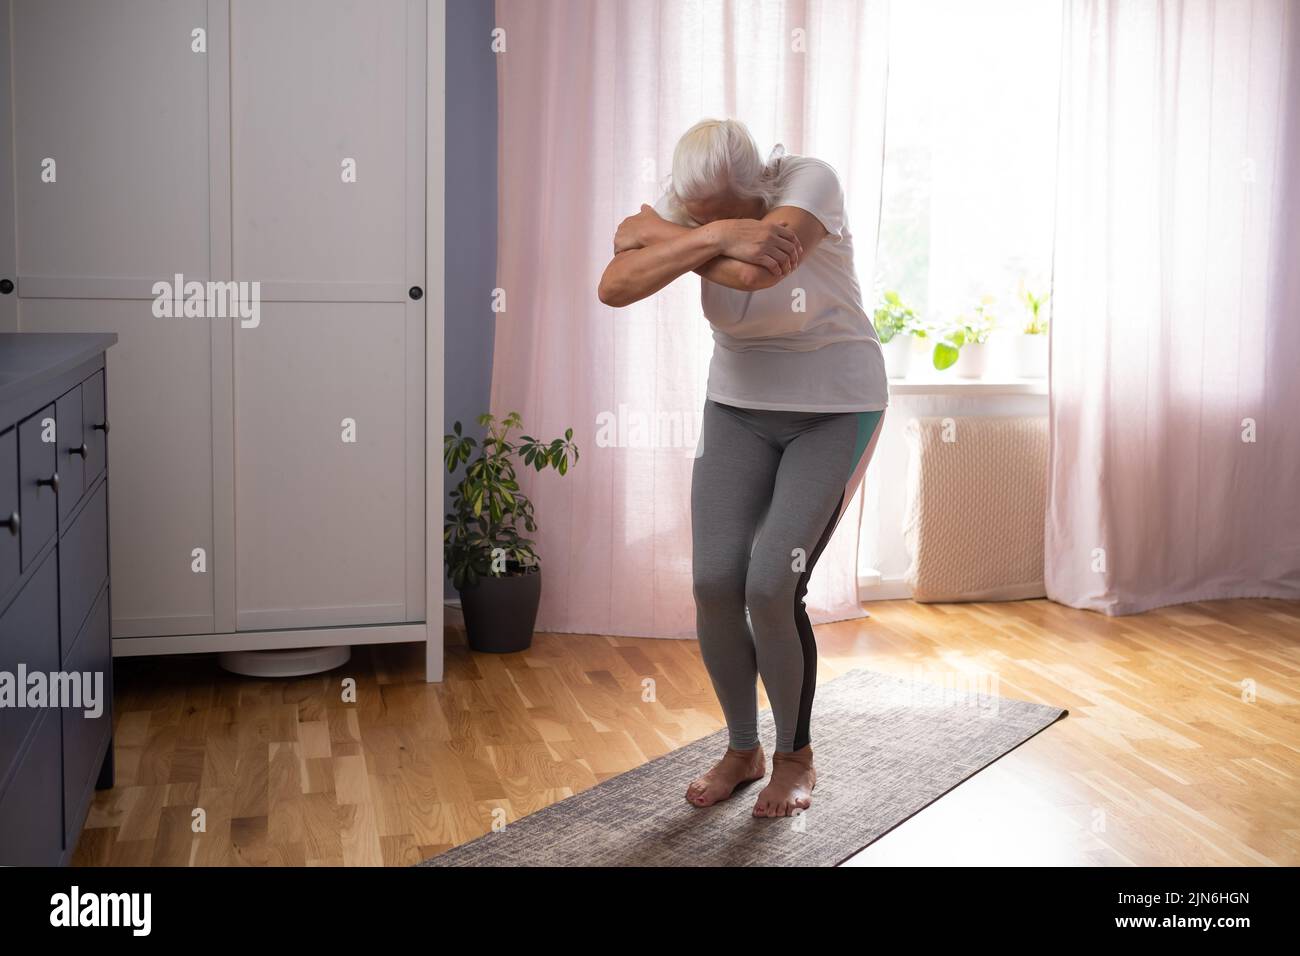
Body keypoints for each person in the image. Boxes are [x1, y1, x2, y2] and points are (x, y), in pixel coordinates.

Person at [598, 118, 889, 817]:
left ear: (762, 184)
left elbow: (760, 271)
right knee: (713, 581)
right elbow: (614, 284)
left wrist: (665, 238)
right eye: (700, 216)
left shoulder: (810, 182)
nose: (713, 224)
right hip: (737, 407)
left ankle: (795, 758)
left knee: (771, 585)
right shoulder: (700, 213)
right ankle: (742, 749)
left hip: (835, 407)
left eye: (731, 213)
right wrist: (719, 235)